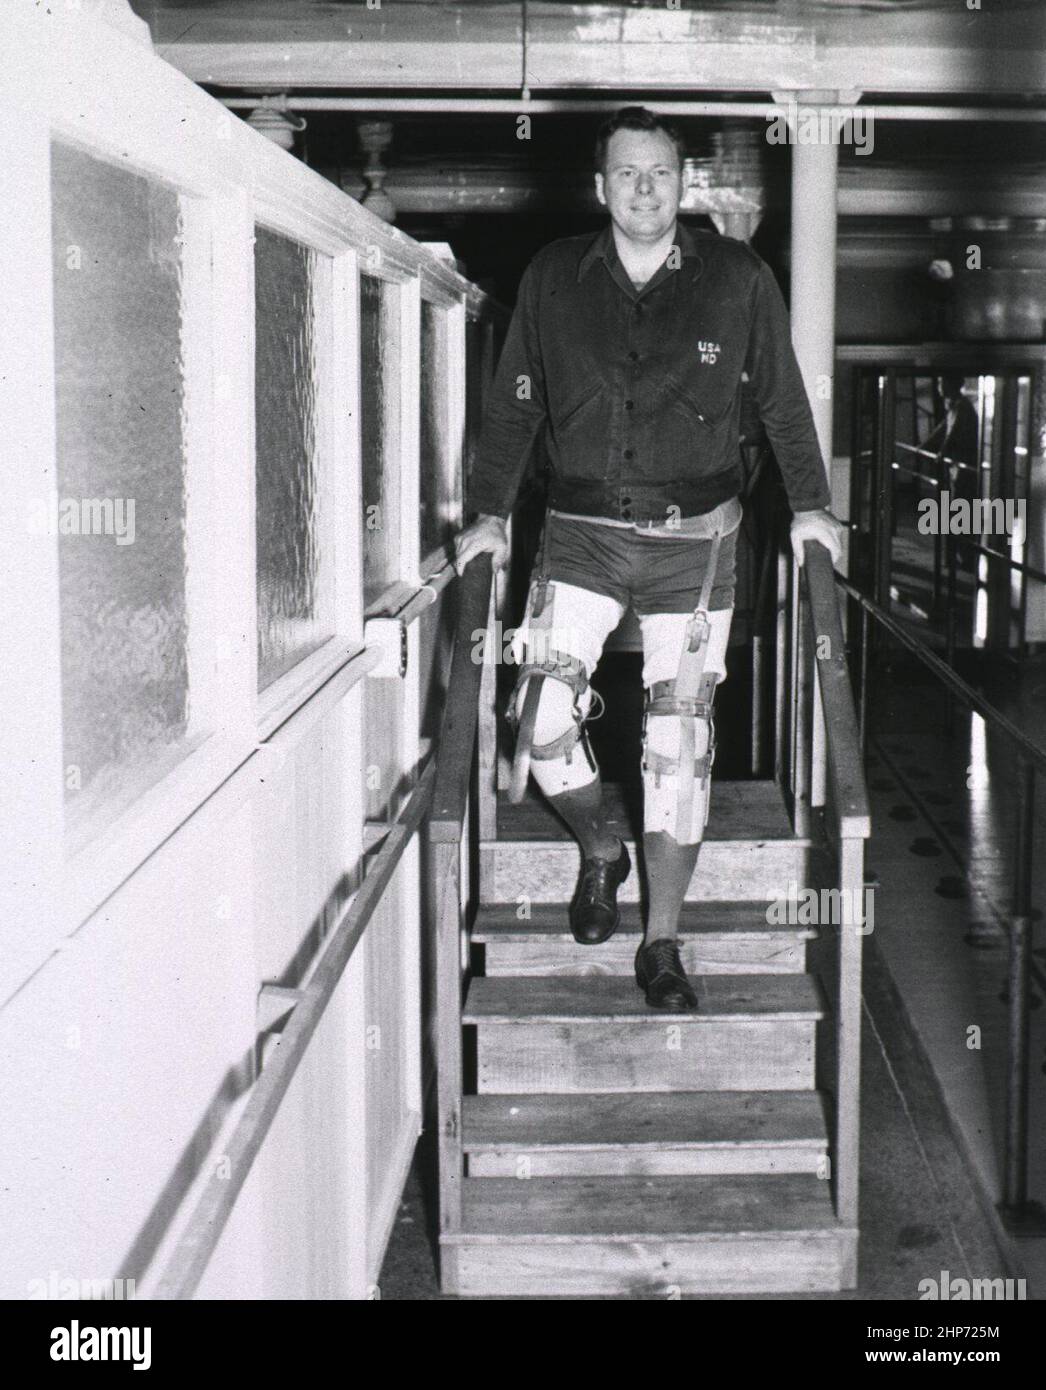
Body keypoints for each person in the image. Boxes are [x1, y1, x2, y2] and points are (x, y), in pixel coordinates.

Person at [454, 106, 842, 1009]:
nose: (643, 188)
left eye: (660, 173)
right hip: (581, 537)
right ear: (601, 186)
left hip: (695, 549)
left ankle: (662, 941)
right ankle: (600, 846)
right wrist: (488, 517)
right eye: (626, 173)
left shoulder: (739, 278)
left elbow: (782, 400)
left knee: (678, 748)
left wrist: (813, 509)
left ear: (684, 183)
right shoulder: (553, 277)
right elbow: (515, 406)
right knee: (539, 717)